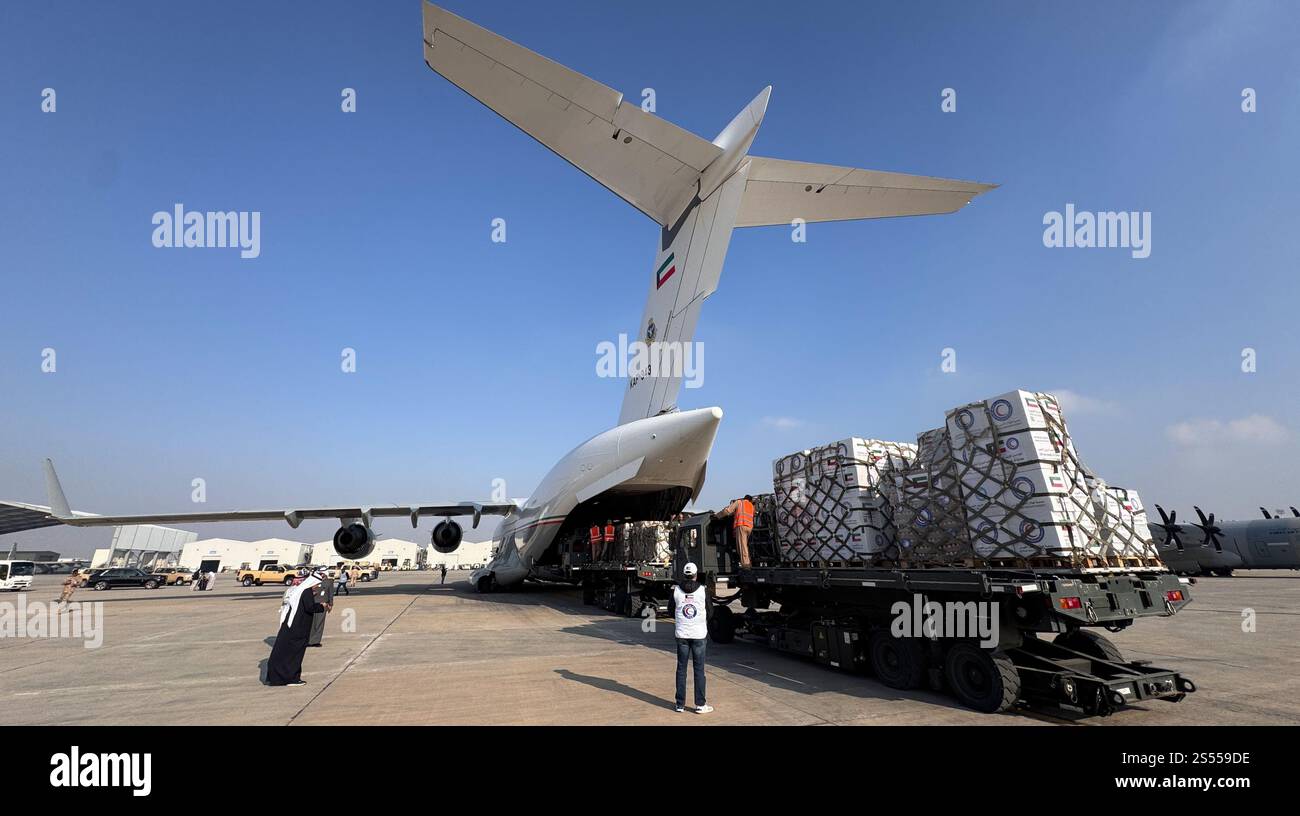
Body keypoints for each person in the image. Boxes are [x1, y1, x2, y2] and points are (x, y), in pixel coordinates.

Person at [266, 569, 331, 686]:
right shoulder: (306, 592)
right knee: (294, 654)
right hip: (298, 629)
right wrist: (322, 606)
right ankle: (291, 678)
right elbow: (310, 607)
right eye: (317, 584)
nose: (317, 587)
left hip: (290, 627)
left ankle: (276, 677)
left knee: (284, 652)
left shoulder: (299, 591)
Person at [672, 562, 711, 714]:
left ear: (684, 574)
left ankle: (680, 704)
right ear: (696, 575)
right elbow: (710, 611)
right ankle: (700, 704)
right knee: (699, 670)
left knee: (681, 669)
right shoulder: (702, 590)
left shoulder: (676, 591)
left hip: (682, 634)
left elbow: (670, 609)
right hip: (699, 634)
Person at [716, 495, 755, 569]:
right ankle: (748, 561)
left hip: (742, 525)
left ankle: (746, 565)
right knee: (745, 546)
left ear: (744, 498)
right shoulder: (751, 506)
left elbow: (728, 511)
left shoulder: (739, 502)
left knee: (742, 546)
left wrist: (718, 515)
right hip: (749, 527)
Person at [307, 573, 333, 648]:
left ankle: (316, 641)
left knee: (319, 623)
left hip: (323, 604)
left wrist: (330, 604)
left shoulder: (329, 582)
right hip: (313, 604)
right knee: (311, 623)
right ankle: (309, 640)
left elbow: (331, 593)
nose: (322, 575)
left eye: (323, 573)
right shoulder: (314, 580)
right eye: (320, 573)